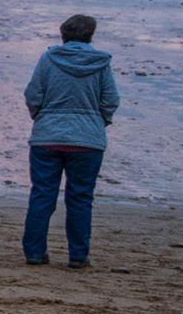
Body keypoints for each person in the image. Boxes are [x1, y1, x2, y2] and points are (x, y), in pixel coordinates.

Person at [22, 14, 120, 268]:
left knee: (42, 194)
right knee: (80, 198)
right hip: (87, 140)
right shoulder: (100, 63)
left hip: (47, 137)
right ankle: (78, 255)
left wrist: (40, 117)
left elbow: (33, 94)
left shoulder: (48, 59)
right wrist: (100, 122)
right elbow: (110, 100)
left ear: (63, 34)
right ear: (90, 35)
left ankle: (34, 252)